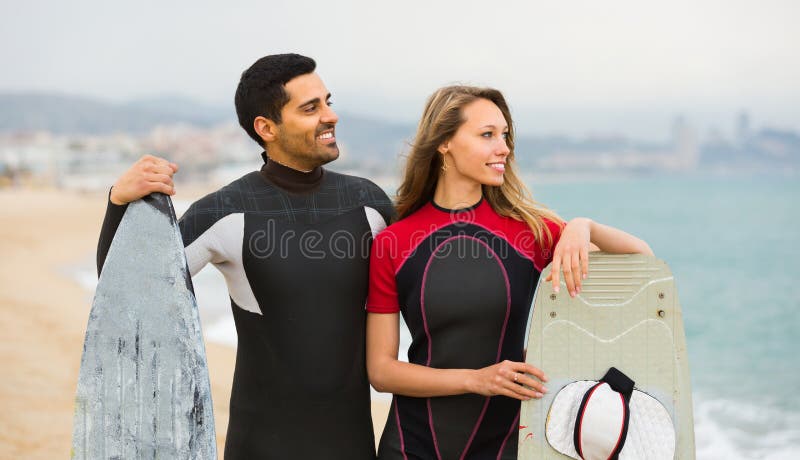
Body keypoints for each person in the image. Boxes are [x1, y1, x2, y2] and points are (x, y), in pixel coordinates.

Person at [97, 54, 394, 459]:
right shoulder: (227, 210)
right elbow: (126, 293)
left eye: (328, 101)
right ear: (266, 128)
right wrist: (118, 202)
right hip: (260, 447)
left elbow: (433, 295)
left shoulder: (368, 202)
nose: (331, 116)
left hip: (354, 446)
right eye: (311, 108)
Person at [365, 85, 653, 459]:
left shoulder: (531, 232)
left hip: (506, 444)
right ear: (444, 143)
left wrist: (585, 227)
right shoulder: (394, 242)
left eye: (505, 135)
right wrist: (476, 379)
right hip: (410, 445)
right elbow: (382, 371)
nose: (504, 147)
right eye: (487, 135)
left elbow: (643, 263)